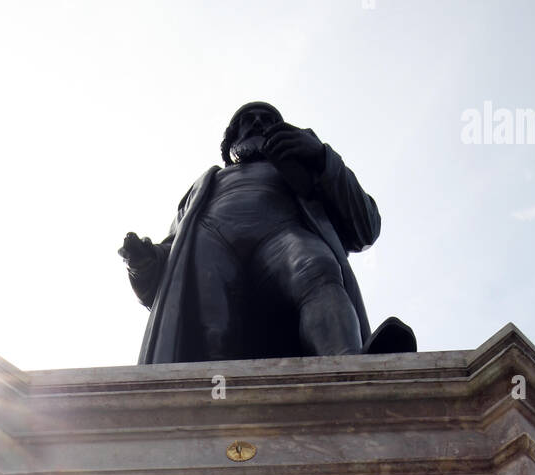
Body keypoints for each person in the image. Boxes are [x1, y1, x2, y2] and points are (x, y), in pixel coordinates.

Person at [119, 101, 416, 364]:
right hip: (212, 245)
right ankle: (209, 409)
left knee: (316, 267)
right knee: (210, 320)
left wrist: (322, 157)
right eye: (248, 121)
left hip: (281, 236)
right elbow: (170, 263)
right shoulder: (203, 187)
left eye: (268, 119)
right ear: (231, 141)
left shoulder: (306, 173)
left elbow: (365, 226)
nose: (259, 123)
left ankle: (349, 365)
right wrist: (144, 263)